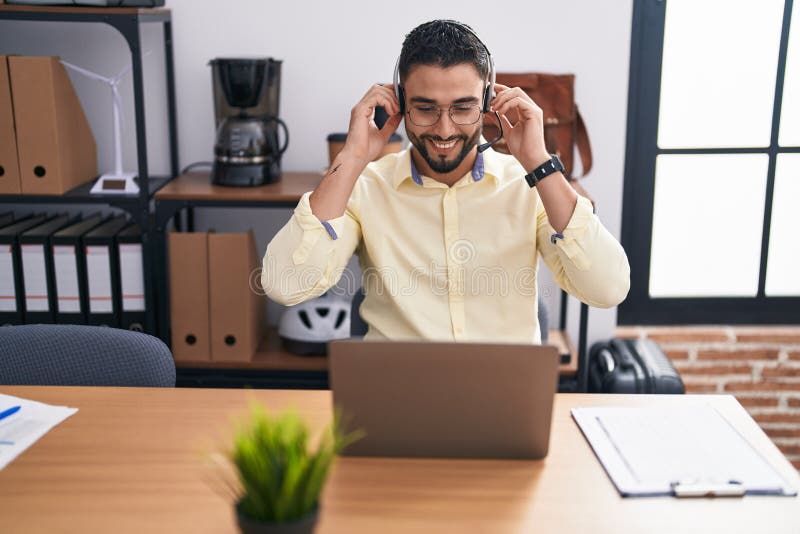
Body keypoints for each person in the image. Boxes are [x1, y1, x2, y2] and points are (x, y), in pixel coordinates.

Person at [262, 19, 629, 343]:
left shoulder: (527, 185)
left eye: (463, 107)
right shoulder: (365, 187)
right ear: (400, 101)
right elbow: (285, 285)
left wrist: (539, 162)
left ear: (487, 100)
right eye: (425, 108)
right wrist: (353, 156)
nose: (444, 129)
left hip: (502, 408)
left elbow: (608, 288)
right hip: (398, 405)